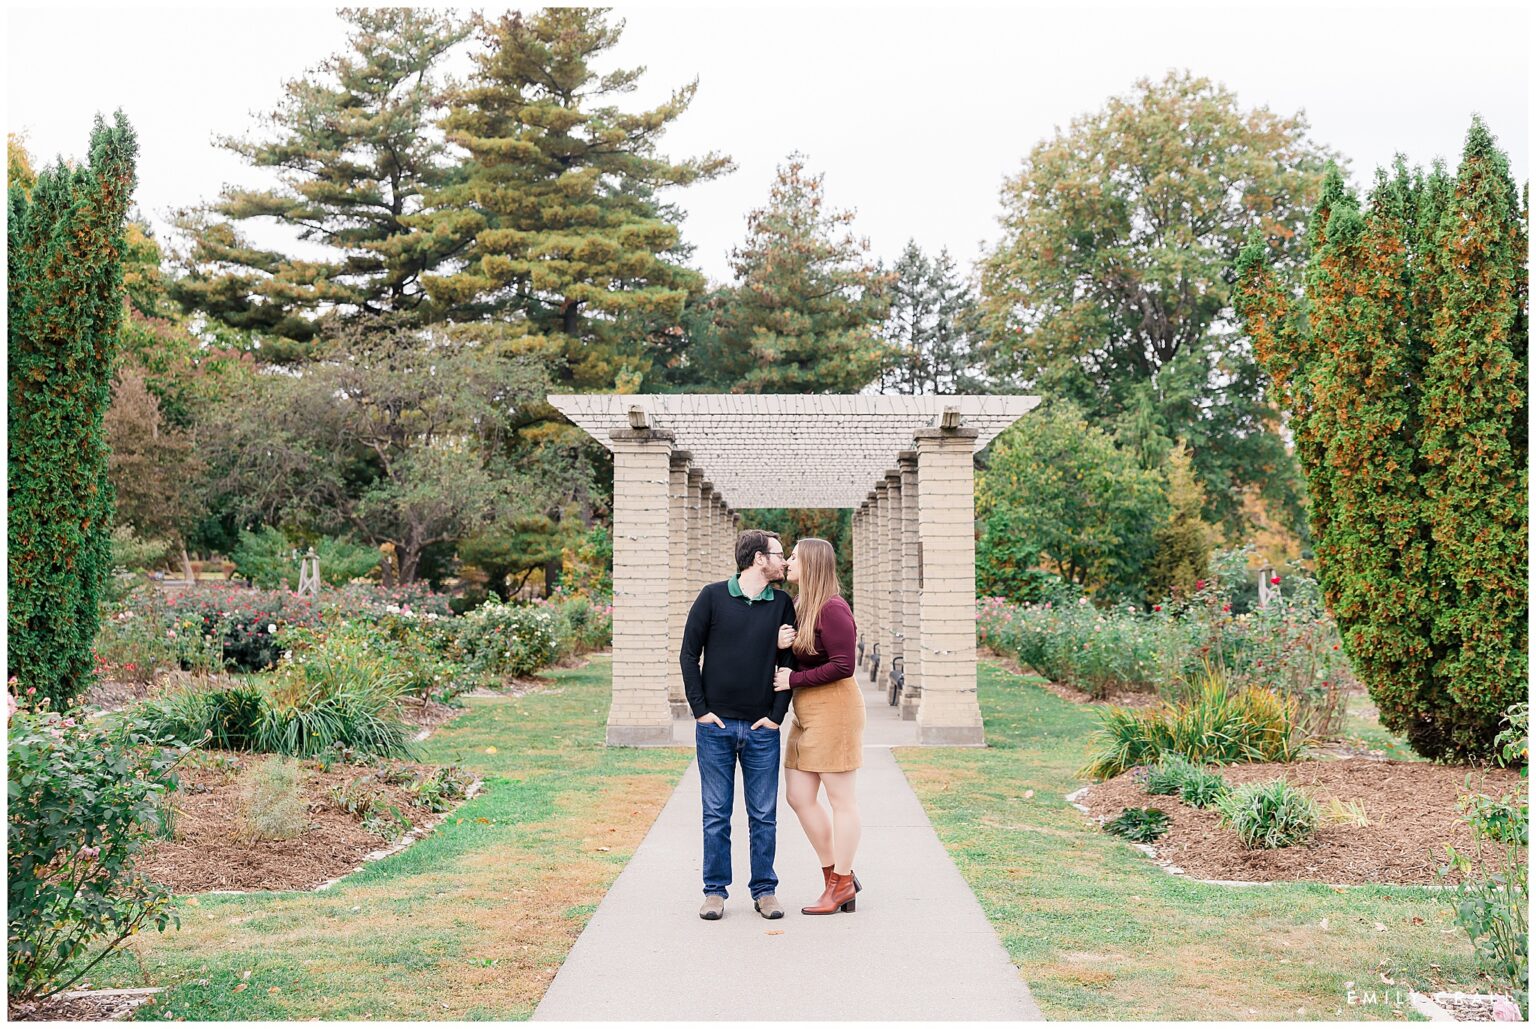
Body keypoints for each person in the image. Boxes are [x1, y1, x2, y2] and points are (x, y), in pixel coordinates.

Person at [679, 528, 797, 921]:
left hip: (762, 729)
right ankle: (714, 892)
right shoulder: (712, 597)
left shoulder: (782, 604)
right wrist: (700, 710)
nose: (784, 561)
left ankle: (765, 891)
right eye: (778, 554)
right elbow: (688, 654)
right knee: (716, 814)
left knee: (764, 815)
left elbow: (788, 665)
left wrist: (776, 716)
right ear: (759, 559)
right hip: (716, 727)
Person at [776, 536, 866, 915]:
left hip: (835, 709)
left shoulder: (833, 608)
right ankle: (837, 876)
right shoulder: (801, 604)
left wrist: (793, 679)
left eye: (794, 557)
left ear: (812, 563)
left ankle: (840, 883)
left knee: (841, 800)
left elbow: (844, 665)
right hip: (806, 710)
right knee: (798, 795)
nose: (788, 562)